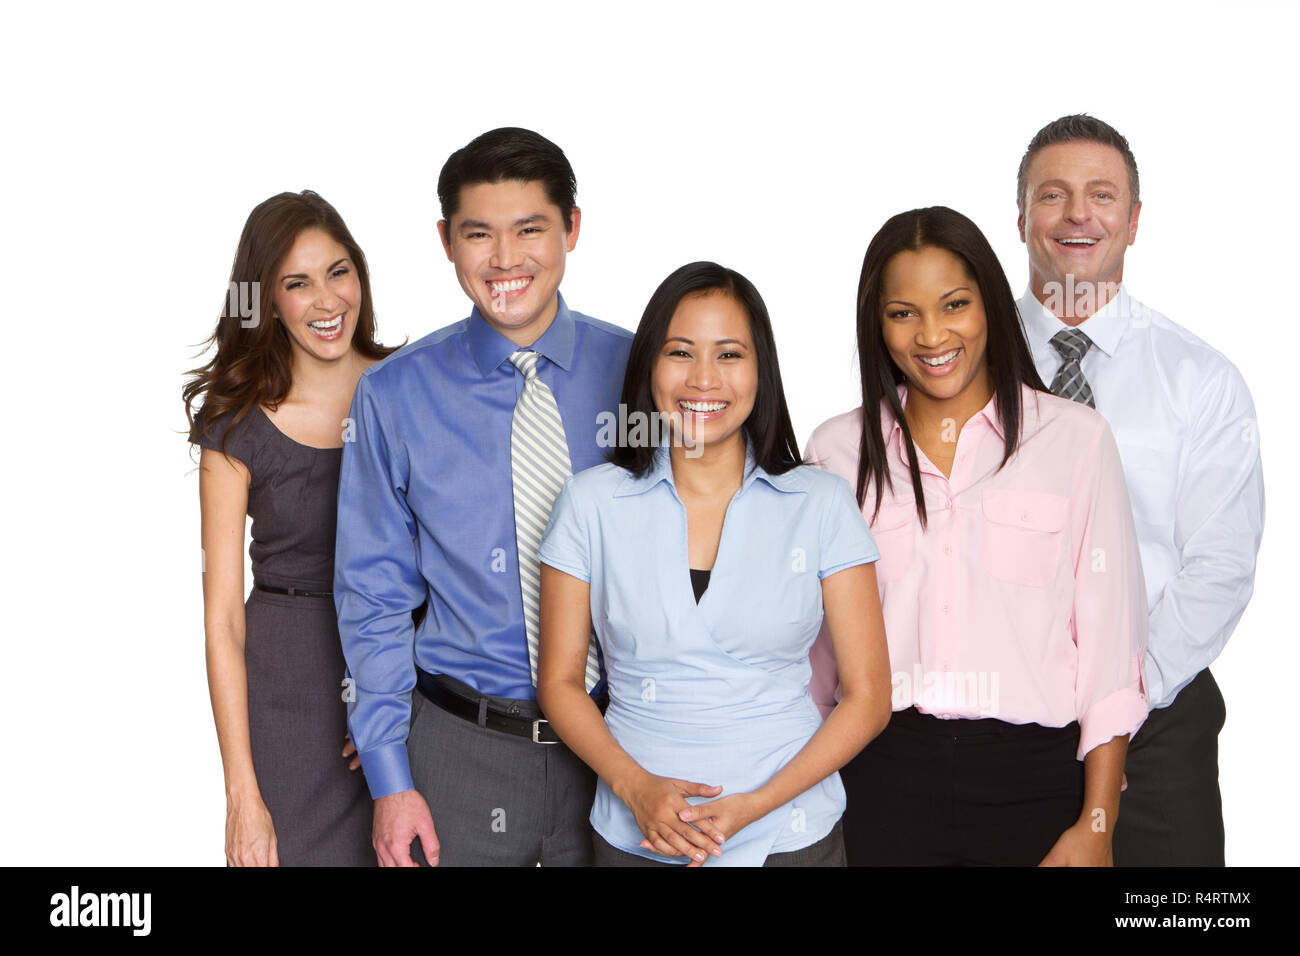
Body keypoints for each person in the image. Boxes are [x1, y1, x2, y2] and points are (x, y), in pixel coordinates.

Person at [807, 206, 1149, 866]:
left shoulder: (1075, 441)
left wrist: (1097, 825)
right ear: (876, 325)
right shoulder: (837, 451)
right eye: (902, 312)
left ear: (989, 303)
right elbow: (816, 666)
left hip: (1034, 782)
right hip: (882, 779)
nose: (931, 334)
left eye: (954, 304)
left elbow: (1110, 656)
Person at [334, 128, 634, 866]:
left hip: (621, 746)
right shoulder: (394, 394)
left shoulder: (641, 370)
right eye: (479, 234)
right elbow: (372, 594)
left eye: (529, 229)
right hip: (458, 755)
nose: (504, 260)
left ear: (572, 229)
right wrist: (390, 780)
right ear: (446, 241)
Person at [536, 262, 893, 866]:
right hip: (634, 836)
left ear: (761, 370)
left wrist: (755, 804)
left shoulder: (822, 502)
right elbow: (561, 682)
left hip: (789, 834)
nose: (704, 379)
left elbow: (869, 697)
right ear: (649, 363)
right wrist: (636, 789)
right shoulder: (591, 502)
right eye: (681, 352)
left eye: (729, 355)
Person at [1013, 115, 1265, 866]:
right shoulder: (958, 368)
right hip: (1003, 717)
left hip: (1158, 718)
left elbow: (1220, 566)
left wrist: (1120, 699)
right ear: (1021, 216)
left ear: (1134, 220)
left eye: (1101, 195)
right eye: (1053, 196)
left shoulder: (1202, 380)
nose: (1078, 215)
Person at [184, 190, 396, 865]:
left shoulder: (408, 386)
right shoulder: (237, 419)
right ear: (267, 301)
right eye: (296, 284)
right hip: (286, 692)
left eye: (338, 272)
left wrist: (394, 701)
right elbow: (222, 619)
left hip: (397, 673)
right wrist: (242, 794)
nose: (327, 300)